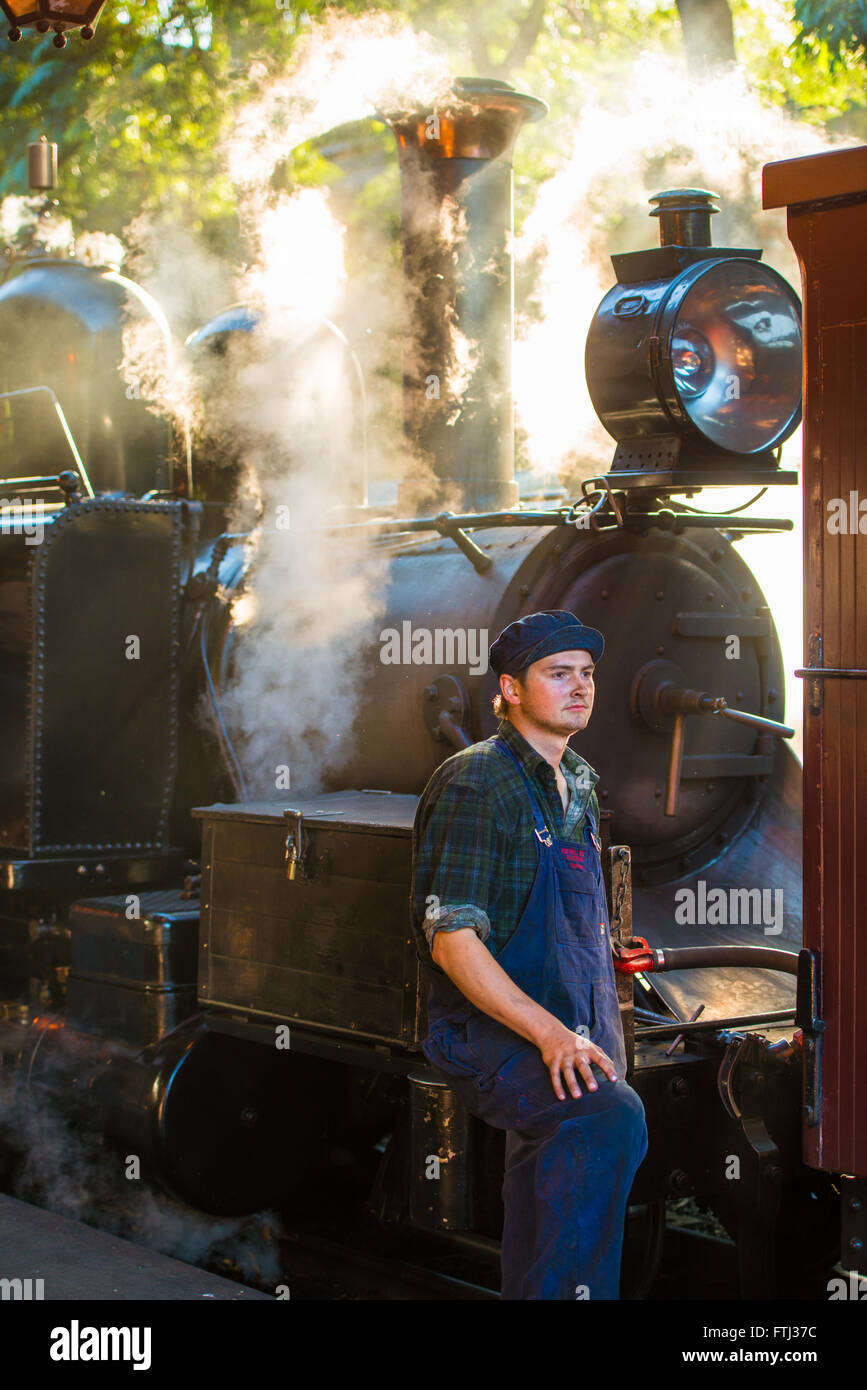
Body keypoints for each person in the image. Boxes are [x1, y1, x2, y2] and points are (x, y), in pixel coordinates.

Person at [410, 609, 648, 1300]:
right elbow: (452, 939)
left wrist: (609, 956)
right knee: (602, 1115)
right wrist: (550, 1037)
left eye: (586, 673)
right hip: (489, 1033)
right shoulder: (478, 781)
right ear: (510, 689)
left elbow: (559, 909)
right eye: (557, 673)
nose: (579, 687)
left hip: (569, 1021)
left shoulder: (577, 780)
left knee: (557, 1172)